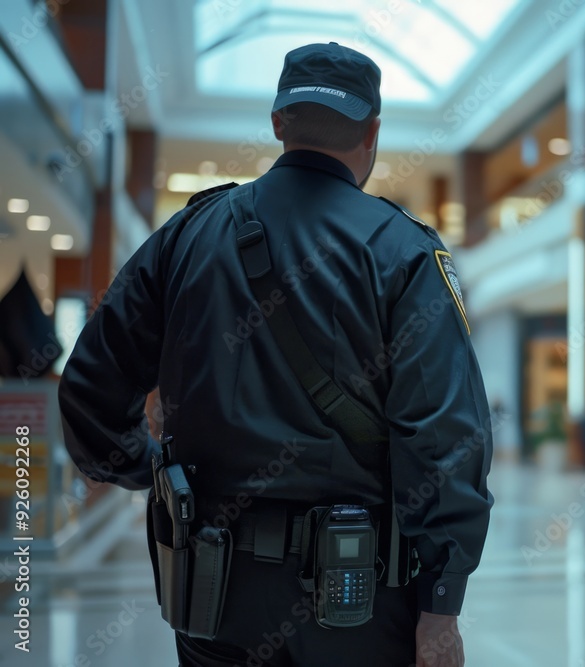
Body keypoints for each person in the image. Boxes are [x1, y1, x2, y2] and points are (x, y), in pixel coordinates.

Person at [58, 42, 493, 667]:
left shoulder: (187, 236)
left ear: (278, 123)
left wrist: (148, 470)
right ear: (372, 132)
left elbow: (88, 392)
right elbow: (448, 436)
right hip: (358, 604)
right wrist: (442, 603)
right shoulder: (402, 252)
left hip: (212, 592)